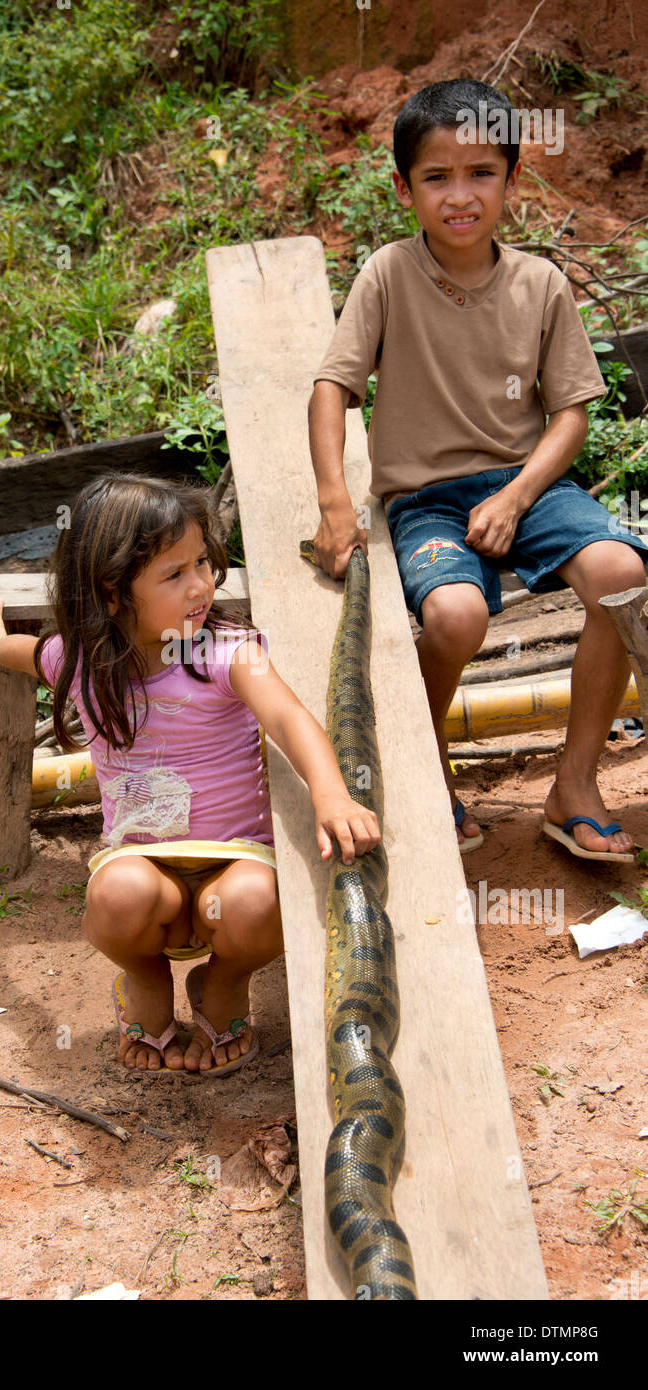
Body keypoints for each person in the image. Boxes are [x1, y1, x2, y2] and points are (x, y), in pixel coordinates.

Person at [308, 77, 648, 864]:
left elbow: (569, 414)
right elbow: (332, 387)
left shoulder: (539, 284)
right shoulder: (388, 275)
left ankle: (573, 786)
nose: (459, 196)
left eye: (479, 173)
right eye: (435, 177)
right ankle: (426, 768)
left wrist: (517, 492)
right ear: (403, 188)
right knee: (456, 616)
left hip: (526, 484)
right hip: (424, 497)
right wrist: (334, 504)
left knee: (620, 570)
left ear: (511, 181)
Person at [0, 472, 380, 1076]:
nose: (200, 585)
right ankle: (145, 979)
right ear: (111, 593)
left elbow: (288, 718)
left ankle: (224, 980)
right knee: (116, 895)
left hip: (232, 866)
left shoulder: (227, 653)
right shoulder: (85, 663)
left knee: (260, 902)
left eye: (202, 563)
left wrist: (331, 793)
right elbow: (27, 654)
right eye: (174, 574)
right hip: (143, 874)